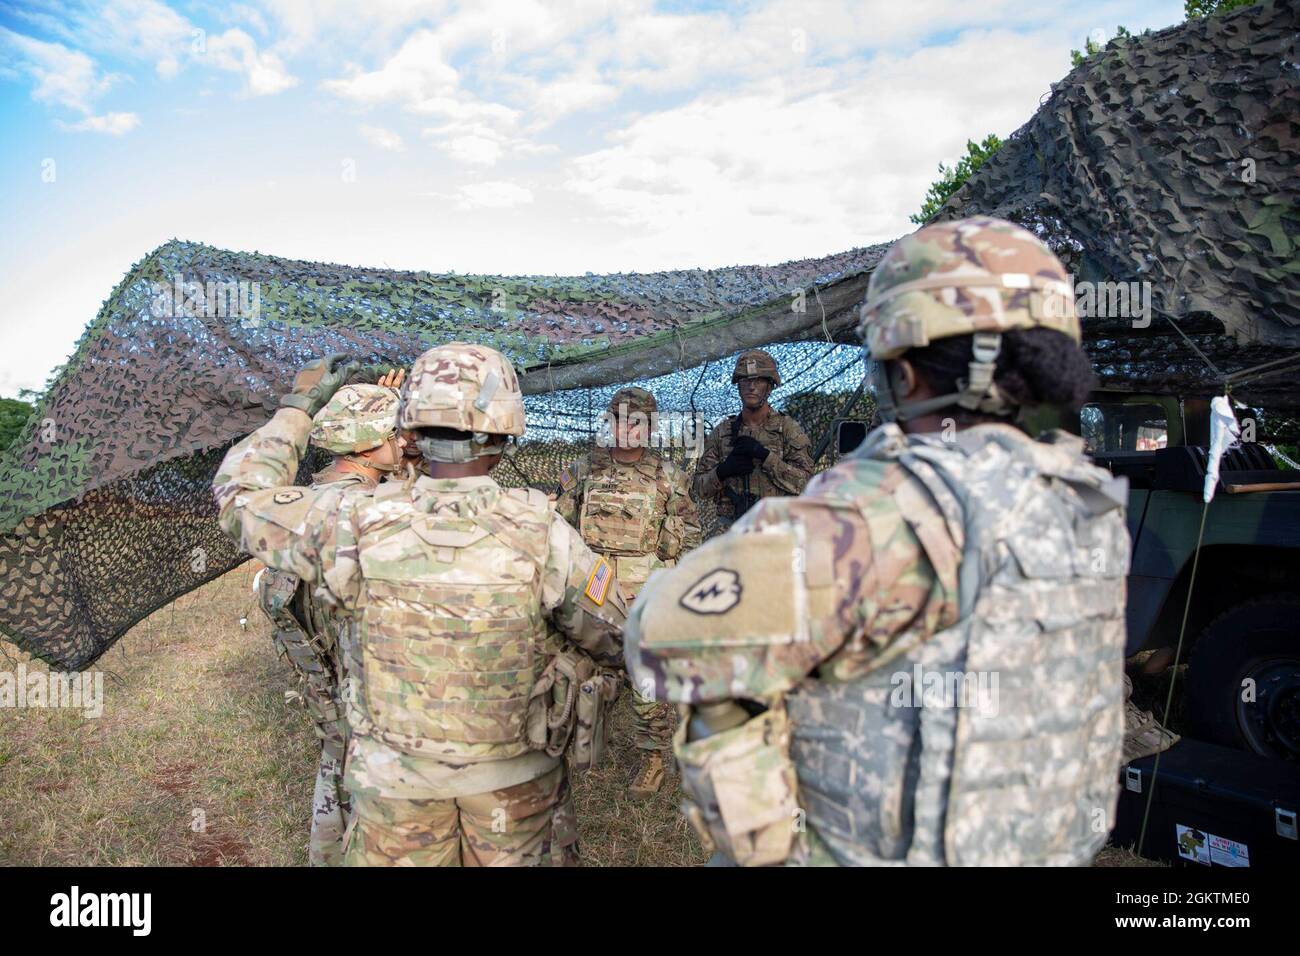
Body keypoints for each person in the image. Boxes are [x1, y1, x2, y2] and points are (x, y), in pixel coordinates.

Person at [624, 216, 1132, 866]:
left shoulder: (885, 508)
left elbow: (662, 630)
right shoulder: (1082, 501)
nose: (749, 390)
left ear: (903, 369)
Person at [216, 343, 627, 866]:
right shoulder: (543, 532)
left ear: (408, 431)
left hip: (394, 787)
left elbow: (238, 496)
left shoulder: (349, 519)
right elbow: (618, 638)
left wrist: (298, 406)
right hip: (513, 789)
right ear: (504, 430)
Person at [254, 378, 405, 866]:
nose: (404, 441)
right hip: (378, 710)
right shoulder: (375, 514)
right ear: (365, 444)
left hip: (329, 701)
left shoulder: (296, 504)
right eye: (395, 431)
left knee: (335, 782)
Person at [555, 387, 702, 797]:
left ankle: (653, 756)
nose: (628, 429)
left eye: (637, 421)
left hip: (645, 593)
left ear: (650, 427)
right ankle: (582, 746)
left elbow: (688, 532)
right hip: (594, 589)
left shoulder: (667, 475)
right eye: (620, 419)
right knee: (581, 669)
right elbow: (561, 527)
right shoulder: (586, 469)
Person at [692, 349, 813, 533]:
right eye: (745, 380)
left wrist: (766, 458)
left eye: (759, 380)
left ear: (770, 386)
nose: (751, 386)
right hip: (730, 531)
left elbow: (806, 485)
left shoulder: (788, 430)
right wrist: (723, 471)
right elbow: (699, 489)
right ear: (738, 385)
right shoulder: (722, 432)